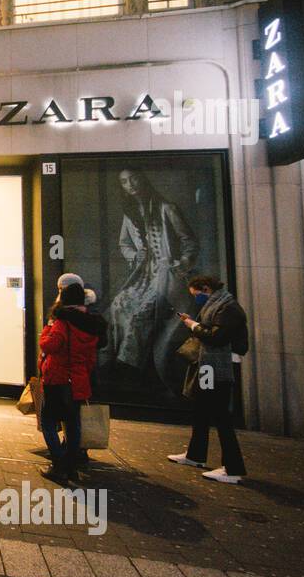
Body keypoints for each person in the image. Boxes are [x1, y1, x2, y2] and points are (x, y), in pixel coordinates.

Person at [104, 168, 199, 396]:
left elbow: (189, 241)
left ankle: (132, 370)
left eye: (133, 178)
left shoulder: (167, 209)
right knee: (119, 304)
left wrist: (181, 263)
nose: (130, 184)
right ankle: (120, 365)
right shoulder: (130, 214)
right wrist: (135, 256)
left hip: (166, 276)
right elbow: (124, 244)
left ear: (142, 179)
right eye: (124, 181)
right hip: (142, 274)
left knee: (141, 315)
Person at [167, 275, 249, 483]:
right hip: (207, 366)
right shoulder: (217, 305)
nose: (196, 300)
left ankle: (233, 468)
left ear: (206, 288)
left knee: (221, 415)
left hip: (218, 368)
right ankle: (195, 455)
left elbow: (216, 336)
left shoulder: (228, 308)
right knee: (201, 408)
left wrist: (193, 325)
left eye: (197, 295)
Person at [38, 282, 107, 486]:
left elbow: (49, 345)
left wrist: (45, 331)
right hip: (79, 379)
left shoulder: (62, 322)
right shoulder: (92, 324)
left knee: (48, 421)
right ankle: (71, 464)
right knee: (73, 423)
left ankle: (59, 464)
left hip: (58, 378)